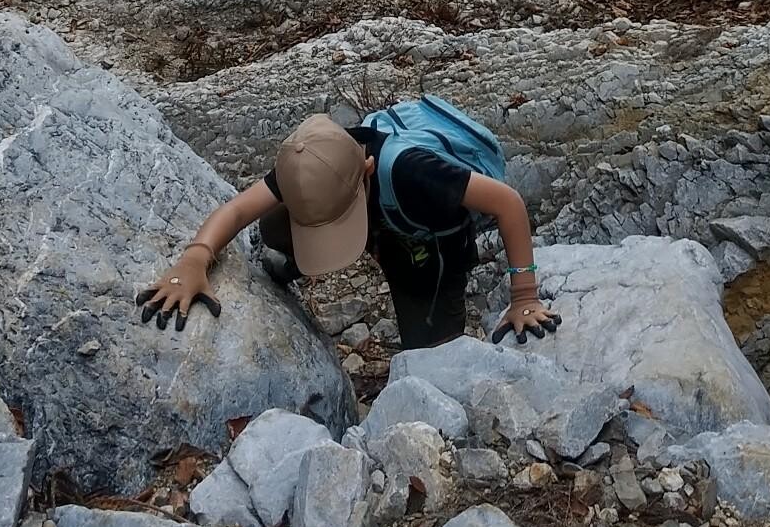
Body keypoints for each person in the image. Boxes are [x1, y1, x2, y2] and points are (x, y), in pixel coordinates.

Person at [137, 110, 561, 349]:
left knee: (430, 353)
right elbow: (235, 211)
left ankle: (402, 264)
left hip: (430, 239)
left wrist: (523, 296)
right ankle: (346, 245)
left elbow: (507, 202)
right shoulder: (308, 165)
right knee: (272, 226)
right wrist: (194, 259)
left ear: (367, 168)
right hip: (379, 213)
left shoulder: (414, 172)